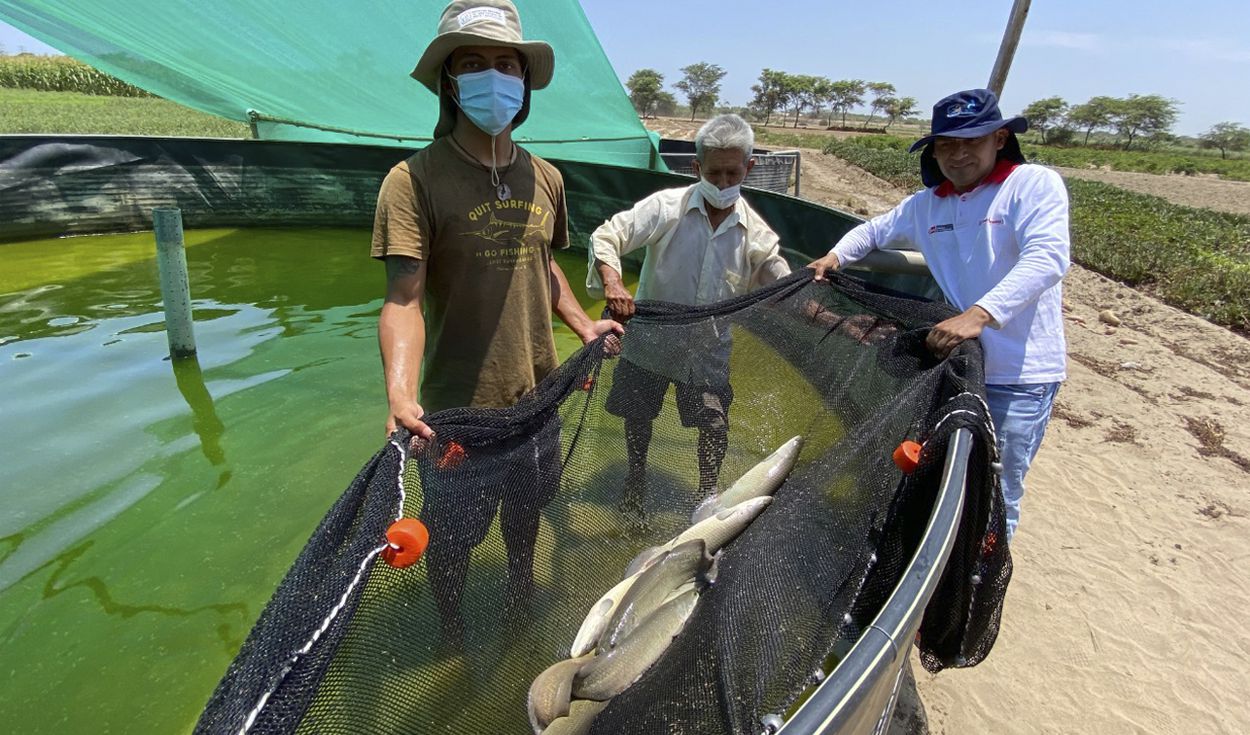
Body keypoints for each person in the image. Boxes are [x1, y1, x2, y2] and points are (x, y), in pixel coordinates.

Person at [371, 0, 621, 644]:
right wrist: (401, 393)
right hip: (458, 410)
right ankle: (451, 625)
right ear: (450, 83)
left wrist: (582, 325)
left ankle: (519, 591)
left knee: (527, 512)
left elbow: (543, 265)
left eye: (506, 64)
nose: (492, 77)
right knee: (452, 535)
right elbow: (403, 297)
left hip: (538, 398)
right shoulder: (412, 180)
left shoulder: (547, 178)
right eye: (473, 64)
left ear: (525, 82)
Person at [808, 88, 1070, 541]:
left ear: (1001, 139)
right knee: (945, 479)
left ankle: (974, 597)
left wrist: (980, 313)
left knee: (995, 495)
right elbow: (873, 231)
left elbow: (1047, 258)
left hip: (1018, 376)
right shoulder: (928, 204)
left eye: (972, 141)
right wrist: (834, 257)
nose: (959, 154)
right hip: (958, 366)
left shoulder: (1031, 185)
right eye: (947, 144)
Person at [587, 114, 791, 515]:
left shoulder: (755, 233)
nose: (722, 183)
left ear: (748, 169)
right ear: (697, 168)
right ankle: (635, 476)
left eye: (733, 173)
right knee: (637, 415)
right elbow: (607, 236)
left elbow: (776, 275)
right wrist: (614, 285)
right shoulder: (667, 208)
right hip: (649, 341)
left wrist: (808, 295)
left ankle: (707, 496)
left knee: (714, 424)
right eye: (713, 173)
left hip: (707, 350)